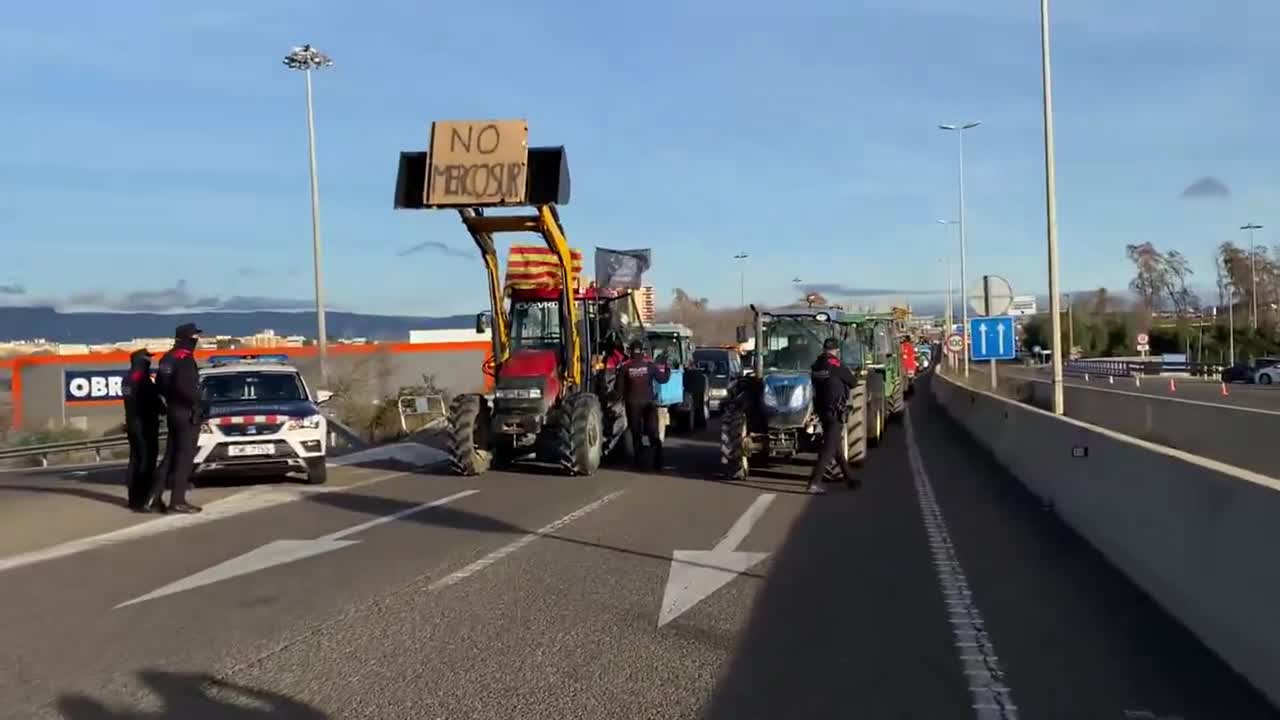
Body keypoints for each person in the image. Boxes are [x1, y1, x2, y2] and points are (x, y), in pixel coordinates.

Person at [148, 323, 205, 514]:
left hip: (173, 410)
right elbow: (187, 387)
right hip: (186, 412)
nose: (196, 340)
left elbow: (162, 386)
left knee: (170, 456)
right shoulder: (185, 359)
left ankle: (153, 498)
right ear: (187, 338)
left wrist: (172, 401)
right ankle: (177, 501)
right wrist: (197, 405)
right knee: (184, 458)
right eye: (195, 337)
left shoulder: (168, 358)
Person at [807, 337, 861, 494]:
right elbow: (853, 382)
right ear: (836, 350)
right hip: (835, 411)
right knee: (829, 448)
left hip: (822, 410)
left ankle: (849, 479)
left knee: (836, 445)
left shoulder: (816, 365)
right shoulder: (836, 364)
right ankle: (814, 482)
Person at [616, 339, 671, 471]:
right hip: (648, 404)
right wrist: (667, 368)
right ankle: (658, 463)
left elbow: (619, 391)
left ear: (630, 352)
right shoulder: (650, 366)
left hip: (632, 405)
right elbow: (663, 379)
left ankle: (639, 463)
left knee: (636, 434)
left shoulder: (625, 368)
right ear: (642, 352)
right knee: (653, 434)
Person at [123, 348, 165, 512]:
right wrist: (162, 408)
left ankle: (133, 498)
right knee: (146, 462)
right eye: (148, 358)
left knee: (134, 460)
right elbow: (152, 401)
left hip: (132, 423)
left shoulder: (127, 379)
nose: (150, 361)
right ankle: (143, 499)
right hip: (145, 425)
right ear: (141, 360)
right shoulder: (142, 379)